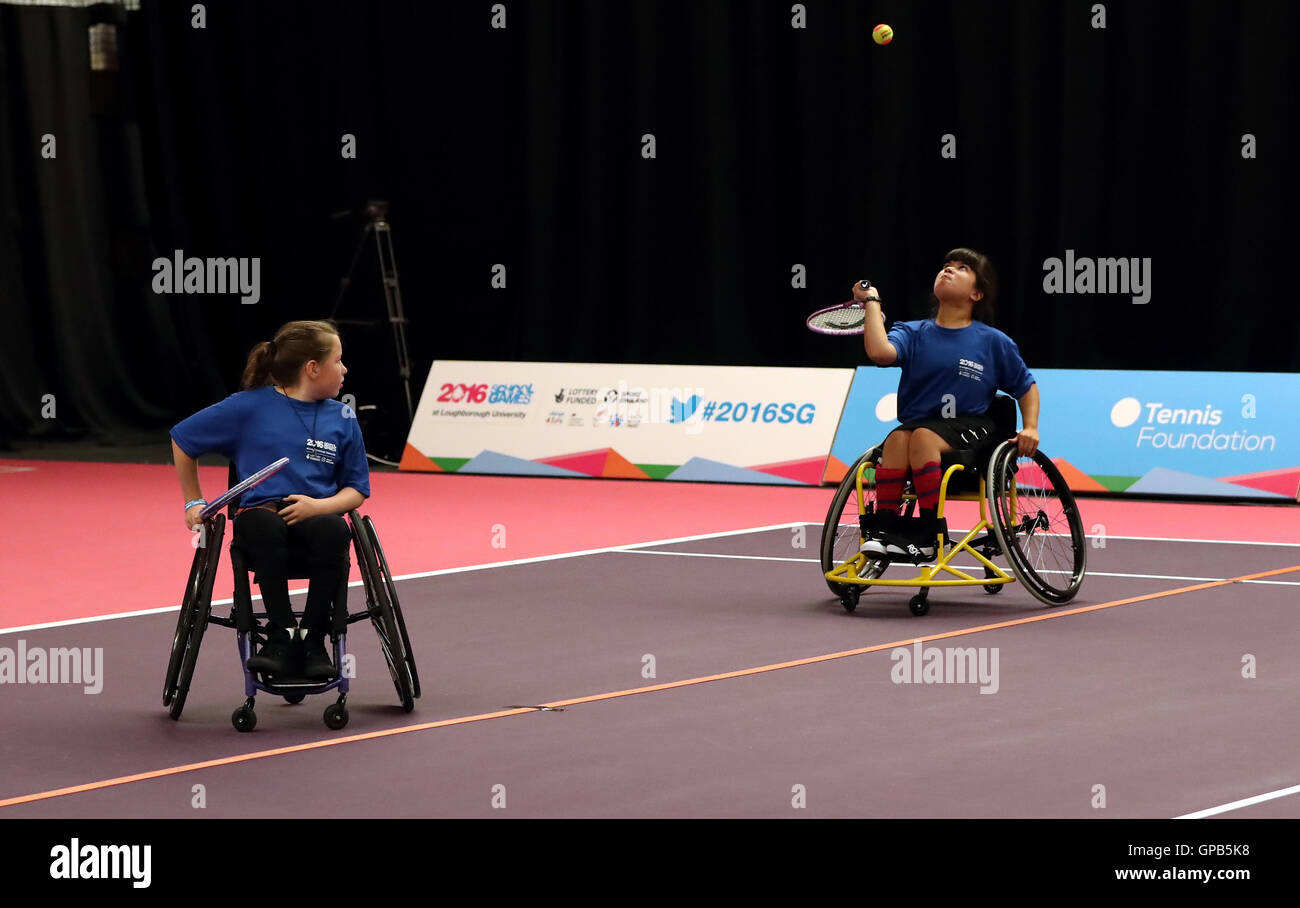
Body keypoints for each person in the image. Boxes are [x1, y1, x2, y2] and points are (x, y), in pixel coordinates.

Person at [170, 319, 370, 679]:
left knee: (333, 532)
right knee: (260, 524)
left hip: (317, 517)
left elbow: (356, 489)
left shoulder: (343, 417)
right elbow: (182, 438)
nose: (345, 369)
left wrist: (318, 506)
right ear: (313, 368)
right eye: (338, 360)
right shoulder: (248, 407)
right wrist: (192, 501)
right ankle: (279, 636)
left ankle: (311, 641)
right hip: (262, 519)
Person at [855, 248, 1039, 560]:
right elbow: (879, 353)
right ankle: (884, 531)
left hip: (974, 427)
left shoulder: (993, 342)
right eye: (946, 266)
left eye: (962, 268)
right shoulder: (912, 332)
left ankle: (929, 534)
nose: (948, 270)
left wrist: (1031, 427)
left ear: (977, 293)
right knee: (898, 438)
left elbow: (1026, 387)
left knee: (922, 436)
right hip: (920, 427)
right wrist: (871, 302)